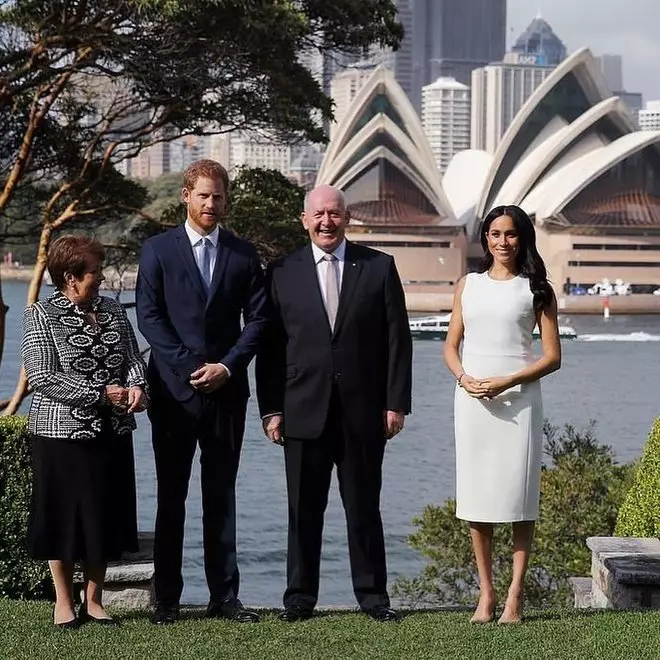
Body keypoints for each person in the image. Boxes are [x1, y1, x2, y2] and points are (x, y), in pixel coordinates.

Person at [256, 185, 412, 623]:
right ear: (304, 219)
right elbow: (270, 348)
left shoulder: (379, 267)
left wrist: (395, 403)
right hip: (301, 410)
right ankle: (300, 600)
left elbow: (398, 341)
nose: (327, 222)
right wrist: (270, 408)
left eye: (335, 214)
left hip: (364, 412)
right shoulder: (281, 270)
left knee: (363, 508)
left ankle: (373, 598)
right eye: (319, 214)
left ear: (347, 218)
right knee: (303, 511)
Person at [136, 159, 269, 625]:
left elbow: (259, 321)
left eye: (218, 196)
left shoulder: (243, 253)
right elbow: (150, 319)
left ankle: (224, 598)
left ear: (225, 199)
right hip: (173, 394)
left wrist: (227, 368)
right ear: (186, 196)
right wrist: (195, 368)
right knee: (171, 498)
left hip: (227, 394)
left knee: (221, 496)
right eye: (204, 195)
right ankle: (167, 600)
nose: (211, 204)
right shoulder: (156, 250)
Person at [21, 235, 147, 629]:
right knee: (62, 518)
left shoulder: (111, 309)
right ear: (70, 277)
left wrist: (138, 386)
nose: (102, 278)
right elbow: (41, 377)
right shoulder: (39, 315)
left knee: (104, 516)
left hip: (112, 431)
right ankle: (63, 603)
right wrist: (99, 394)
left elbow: (132, 358)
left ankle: (94, 601)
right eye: (94, 272)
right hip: (60, 433)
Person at [443, 205, 561, 625]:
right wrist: (464, 379)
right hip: (473, 402)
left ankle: (515, 596)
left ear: (523, 237)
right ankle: (486, 593)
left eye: (510, 234)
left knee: (519, 499)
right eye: (494, 234)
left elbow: (552, 358)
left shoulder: (538, 289)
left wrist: (506, 382)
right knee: (477, 498)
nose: (502, 242)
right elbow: (450, 346)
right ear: (485, 238)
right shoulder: (468, 285)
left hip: (519, 402)